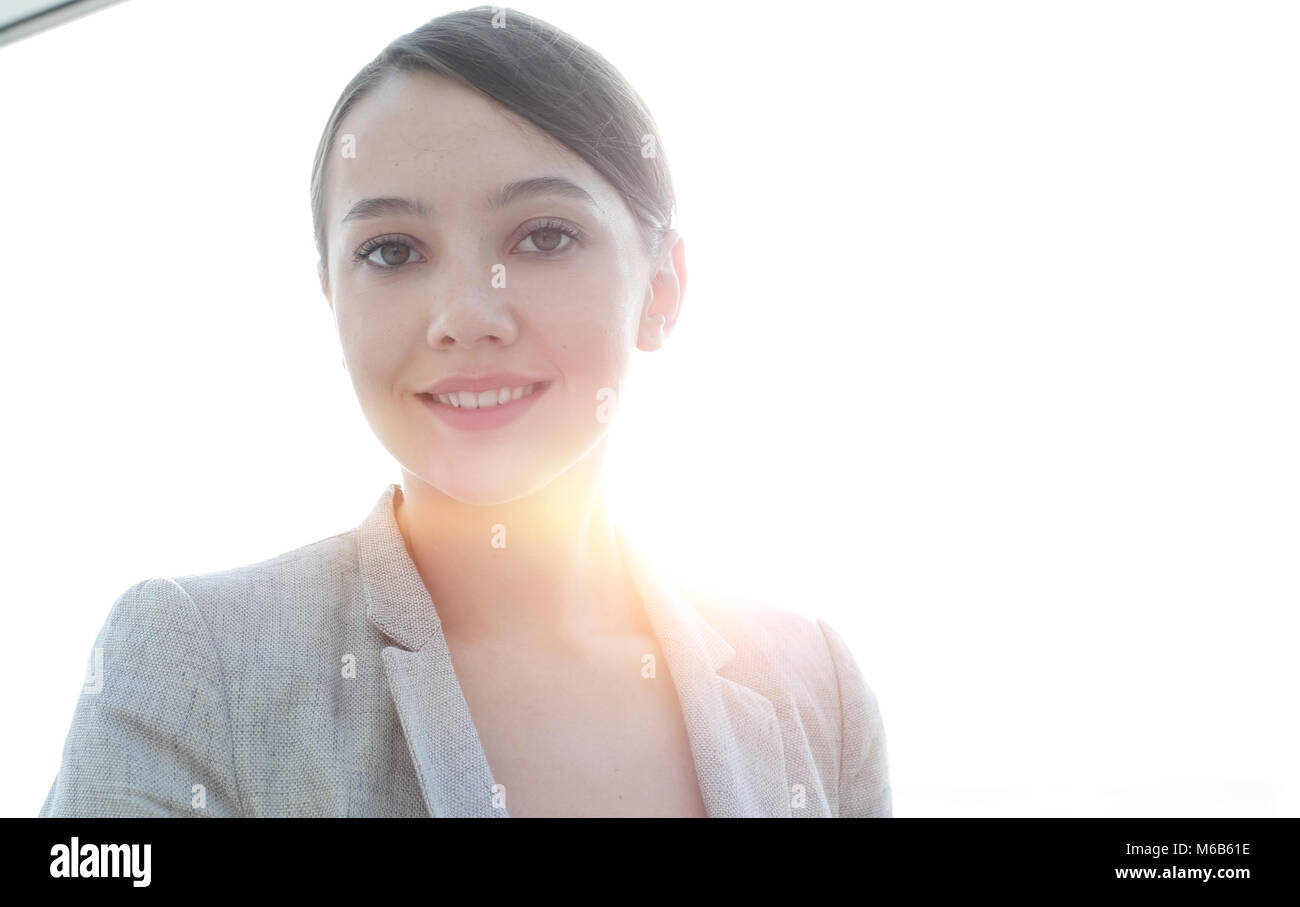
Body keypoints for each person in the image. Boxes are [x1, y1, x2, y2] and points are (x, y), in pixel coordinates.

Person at [38, 5, 891, 818]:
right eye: (392, 251)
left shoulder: (815, 686)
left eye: (544, 235)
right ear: (334, 301)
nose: (465, 314)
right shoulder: (196, 667)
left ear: (661, 287)